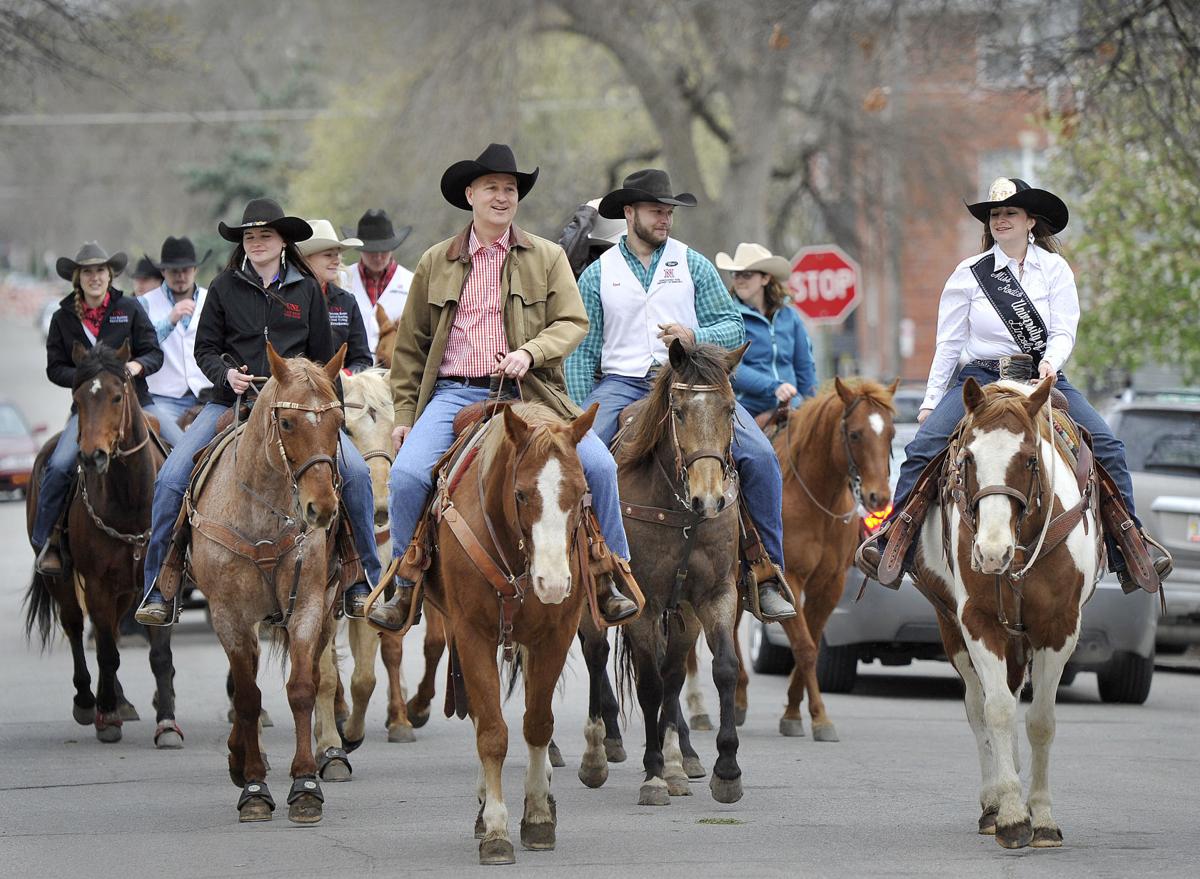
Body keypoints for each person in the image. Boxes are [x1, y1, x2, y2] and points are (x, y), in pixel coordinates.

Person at [855, 177, 1171, 593]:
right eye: (995, 214)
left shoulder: (1055, 270)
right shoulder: (969, 274)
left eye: (1010, 213)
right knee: (923, 447)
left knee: (1108, 446)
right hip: (983, 378)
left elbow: (1064, 330)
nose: (1001, 220)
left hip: (1042, 375)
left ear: (1030, 221)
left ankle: (1130, 547)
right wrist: (931, 401)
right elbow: (948, 345)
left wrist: (1050, 363)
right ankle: (895, 541)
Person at [369, 143, 637, 630]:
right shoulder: (435, 261)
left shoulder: (547, 256)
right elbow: (409, 351)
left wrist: (530, 352)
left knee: (599, 464)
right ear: (470, 195)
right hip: (454, 392)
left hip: (529, 392)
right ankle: (405, 582)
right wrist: (405, 418)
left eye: (510, 189)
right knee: (406, 477)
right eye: (491, 187)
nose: (501, 196)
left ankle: (609, 570)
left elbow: (572, 322)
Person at [134, 198, 382, 625]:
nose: (257, 242)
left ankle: (362, 578)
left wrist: (329, 412)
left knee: (357, 474)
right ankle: (161, 583)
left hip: (299, 409)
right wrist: (225, 374)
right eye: (250, 236)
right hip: (232, 401)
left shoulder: (306, 290)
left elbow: (324, 359)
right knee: (172, 477)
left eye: (266, 235)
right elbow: (205, 349)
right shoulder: (224, 287)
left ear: (283, 241)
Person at [563, 169, 797, 621]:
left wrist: (693, 336)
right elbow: (581, 351)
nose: (665, 219)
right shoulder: (596, 275)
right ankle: (591, 567)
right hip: (622, 383)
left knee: (761, 457)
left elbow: (733, 327)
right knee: (581, 460)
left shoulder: (694, 264)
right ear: (629, 213)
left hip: (690, 380)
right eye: (656, 211)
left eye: (669, 212)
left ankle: (765, 570)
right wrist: (580, 413)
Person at [32, 243, 164, 575]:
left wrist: (136, 366)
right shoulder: (62, 317)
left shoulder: (129, 308)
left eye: (100, 271)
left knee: (181, 454)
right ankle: (49, 540)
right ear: (78, 278)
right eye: (88, 272)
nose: (95, 277)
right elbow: (54, 368)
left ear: (110, 275)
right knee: (59, 465)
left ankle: (186, 541)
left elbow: (153, 352)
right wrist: (87, 378)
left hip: (136, 404)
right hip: (88, 412)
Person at [715, 242, 816, 423]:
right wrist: (774, 387)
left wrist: (812, 406)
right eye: (735, 274)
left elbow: (804, 366)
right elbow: (729, 367)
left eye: (747, 274)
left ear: (765, 278)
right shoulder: (728, 318)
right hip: (746, 408)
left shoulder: (790, 317)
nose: (739, 280)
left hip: (793, 404)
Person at [136, 236, 214, 447]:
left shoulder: (211, 299)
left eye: (186, 270)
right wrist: (170, 320)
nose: (180, 276)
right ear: (163, 272)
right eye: (173, 271)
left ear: (195, 270)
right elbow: (140, 346)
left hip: (207, 395)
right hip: (163, 398)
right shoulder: (144, 304)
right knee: (157, 446)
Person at [297, 219, 372, 374]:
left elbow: (362, 360)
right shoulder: (287, 298)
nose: (337, 261)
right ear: (306, 259)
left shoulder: (346, 301)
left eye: (337, 255)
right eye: (328, 255)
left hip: (337, 385)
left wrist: (342, 376)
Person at [341, 209, 414, 357]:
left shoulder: (412, 282)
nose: (378, 256)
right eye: (372, 251)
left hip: (395, 366)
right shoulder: (341, 279)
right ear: (360, 249)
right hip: (351, 364)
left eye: (384, 250)